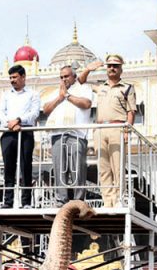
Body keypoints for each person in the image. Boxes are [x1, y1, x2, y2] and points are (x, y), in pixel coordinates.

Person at [79, 55, 136, 208]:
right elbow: (80, 82)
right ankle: (108, 201)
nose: (112, 68)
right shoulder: (100, 87)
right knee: (103, 167)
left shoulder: (127, 88)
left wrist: (126, 130)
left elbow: (131, 112)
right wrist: (88, 69)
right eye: (110, 65)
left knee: (117, 167)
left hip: (118, 127)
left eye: (115, 66)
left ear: (121, 68)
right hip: (100, 128)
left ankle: (119, 200)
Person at [42, 65, 93, 207]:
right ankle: (61, 201)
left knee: (77, 168)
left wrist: (68, 96)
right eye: (61, 77)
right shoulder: (56, 92)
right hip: (58, 134)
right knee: (59, 169)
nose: (64, 79)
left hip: (77, 135)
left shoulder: (84, 89)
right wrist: (60, 97)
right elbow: (46, 109)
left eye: (66, 76)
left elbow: (86, 104)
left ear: (74, 77)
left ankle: (78, 201)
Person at [0, 64, 40, 208]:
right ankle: (8, 202)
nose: (12, 80)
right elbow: (0, 113)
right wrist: (10, 124)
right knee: (8, 167)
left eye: (15, 77)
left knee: (25, 166)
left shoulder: (33, 94)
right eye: (10, 77)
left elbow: (34, 113)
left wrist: (19, 120)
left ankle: (26, 201)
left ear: (23, 77)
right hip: (8, 132)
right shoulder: (6, 95)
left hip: (25, 131)